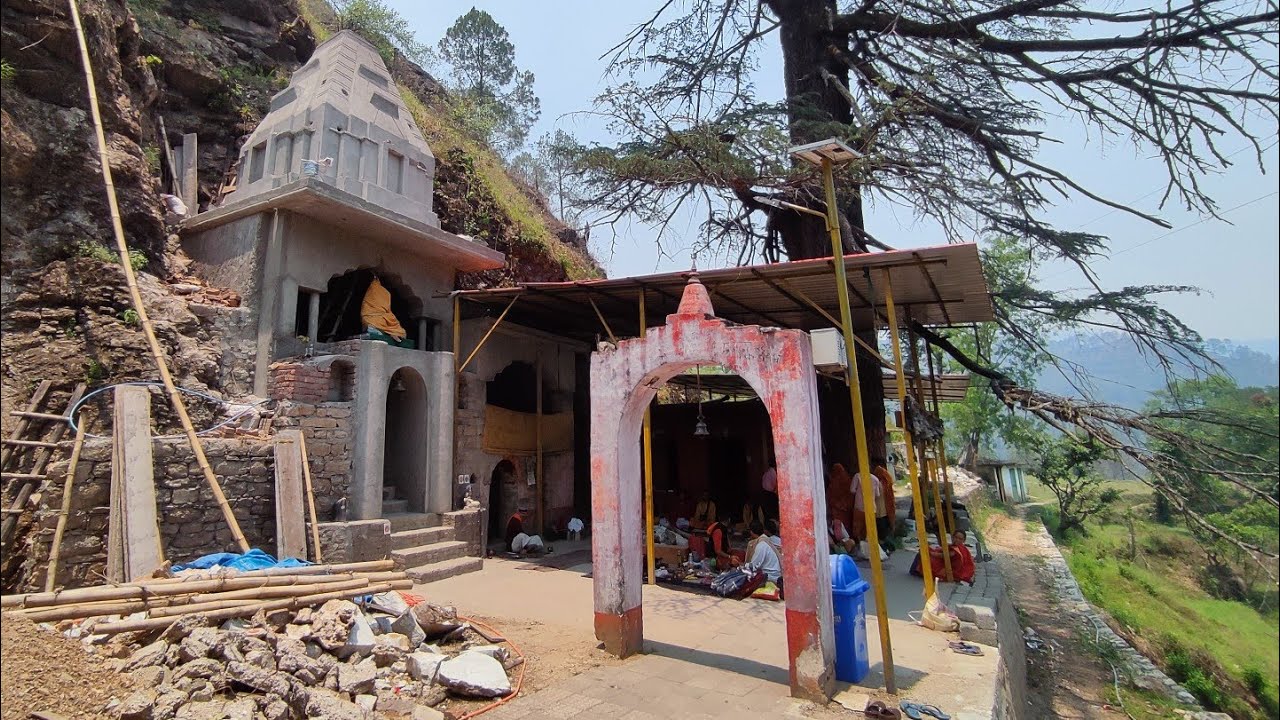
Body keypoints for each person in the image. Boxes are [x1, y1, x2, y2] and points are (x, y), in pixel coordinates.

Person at [360, 275, 412, 348]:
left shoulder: (381, 292)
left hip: (375, 319)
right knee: (399, 331)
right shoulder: (382, 291)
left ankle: (389, 333)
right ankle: (390, 333)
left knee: (399, 330)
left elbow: (385, 308)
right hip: (373, 320)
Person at [851, 467, 883, 542]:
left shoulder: (857, 476)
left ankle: (859, 544)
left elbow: (852, 490)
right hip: (872, 508)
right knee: (869, 529)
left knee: (858, 528)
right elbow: (877, 495)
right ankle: (869, 546)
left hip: (859, 507)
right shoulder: (875, 479)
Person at [760, 455, 779, 520]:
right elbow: (774, 484)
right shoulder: (772, 472)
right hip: (770, 494)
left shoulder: (767, 472)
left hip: (765, 493)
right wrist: (775, 492)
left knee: (768, 511)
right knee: (772, 512)